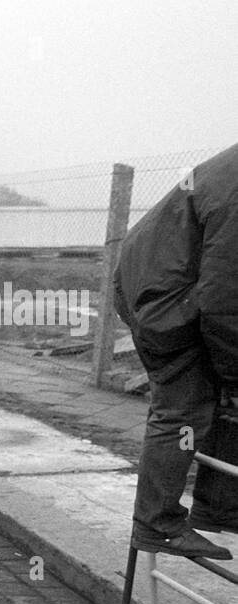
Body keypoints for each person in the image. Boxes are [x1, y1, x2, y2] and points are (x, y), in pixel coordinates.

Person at [115, 142, 238, 560]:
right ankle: (158, 525)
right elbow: (225, 301)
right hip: (165, 297)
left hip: (162, 281)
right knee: (183, 407)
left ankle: (218, 507)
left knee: (216, 395)